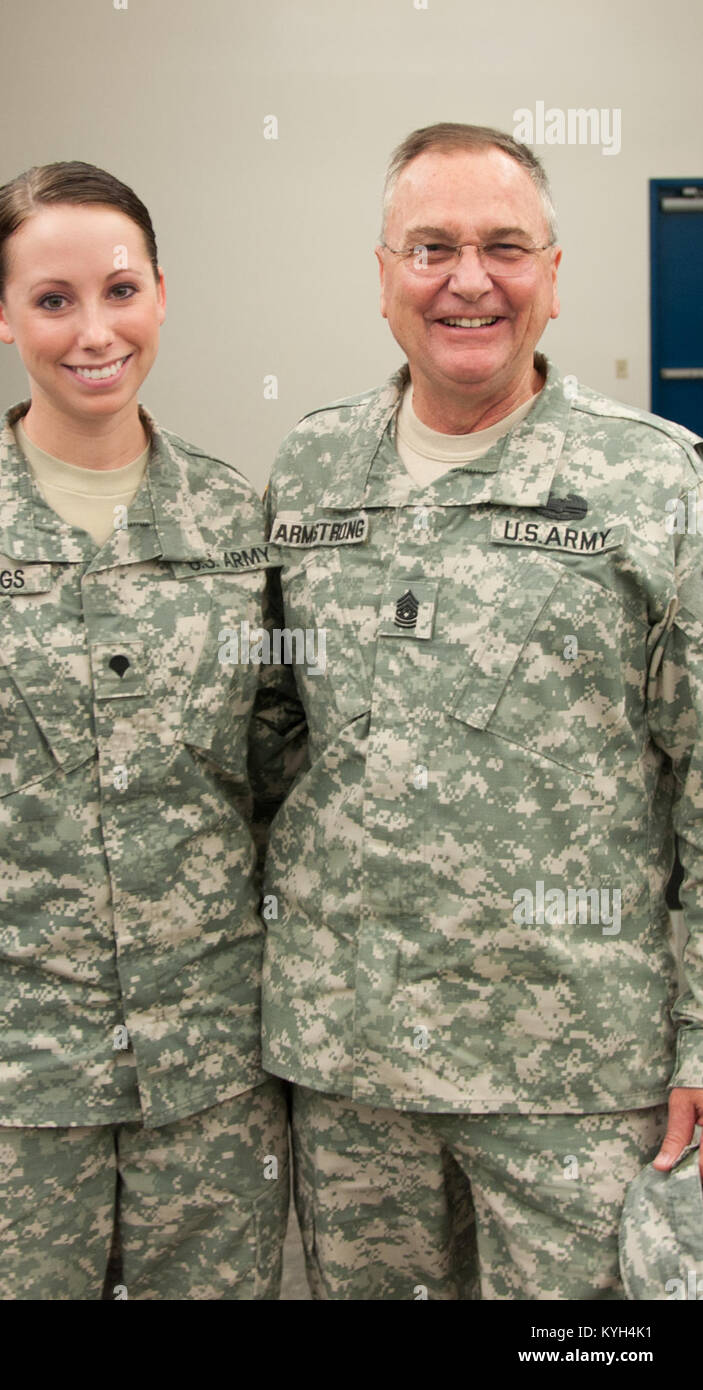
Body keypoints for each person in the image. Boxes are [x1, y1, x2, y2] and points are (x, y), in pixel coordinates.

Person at [251, 122, 703, 1300]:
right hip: (351, 1066)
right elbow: (263, 742)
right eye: (431, 247)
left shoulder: (655, 484)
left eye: (504, 246)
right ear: (383, 276)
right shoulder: (306, 476)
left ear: (552, 276)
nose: (468, 280)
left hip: (573, 1071)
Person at [0, 161, 288, 1300]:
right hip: (2, 1069)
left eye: (120, 290)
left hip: (210, 1069)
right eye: (52, 299)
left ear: (161, 294)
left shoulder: (240, 525)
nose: (94, 331)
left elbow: (285, 782)